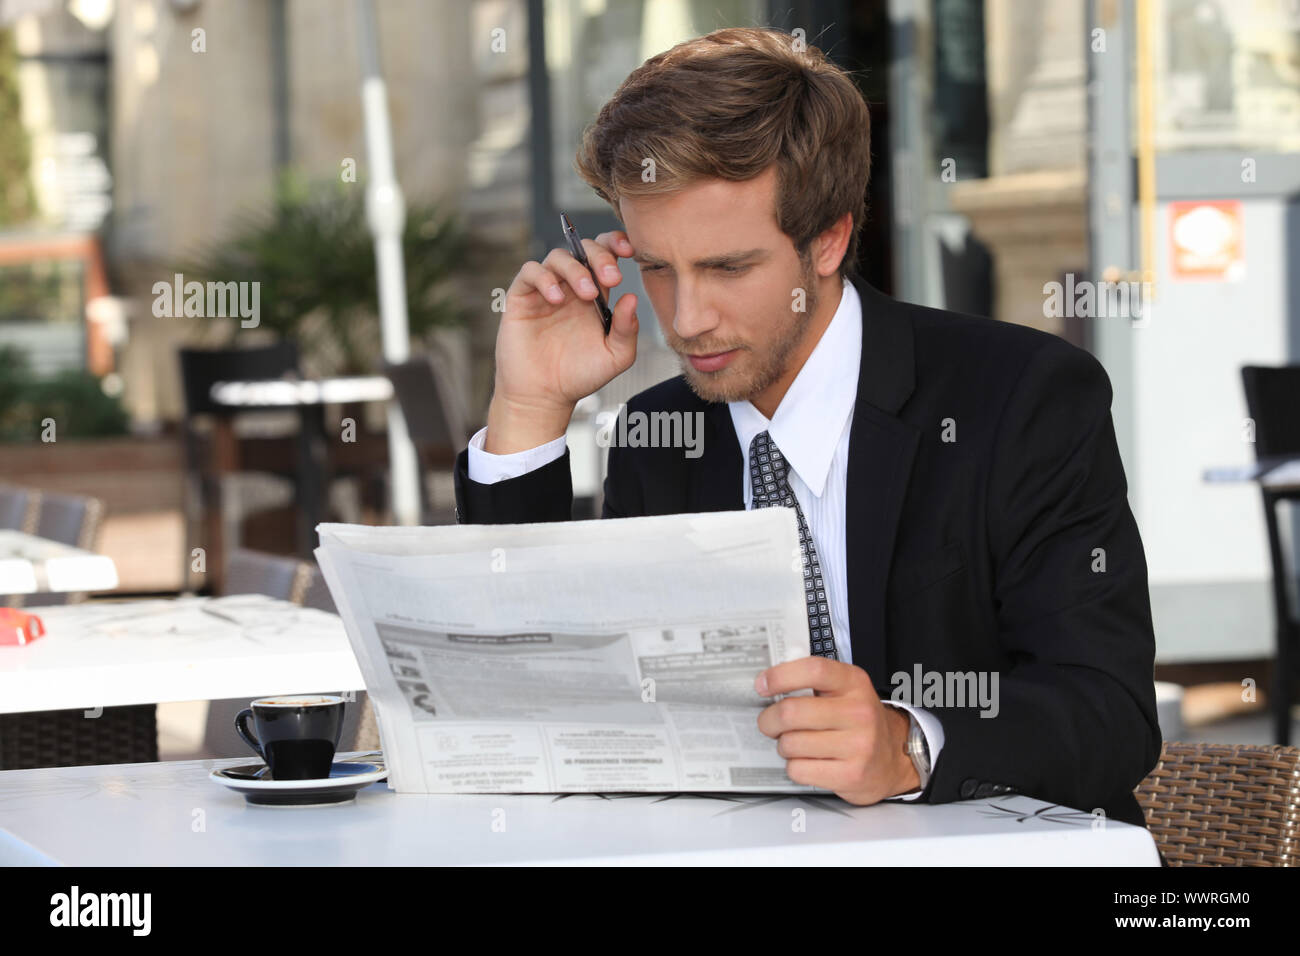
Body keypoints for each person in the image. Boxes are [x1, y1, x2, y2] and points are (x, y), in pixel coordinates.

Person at [452, 26, 1161, 829]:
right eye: (656, 266)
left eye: (727, 267)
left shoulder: (1019, 397)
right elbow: (522, 698)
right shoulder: (662, 433)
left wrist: (908, 745)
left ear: (829, 240)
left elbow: (1111, 713)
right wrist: (528, 408)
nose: (686, 320)